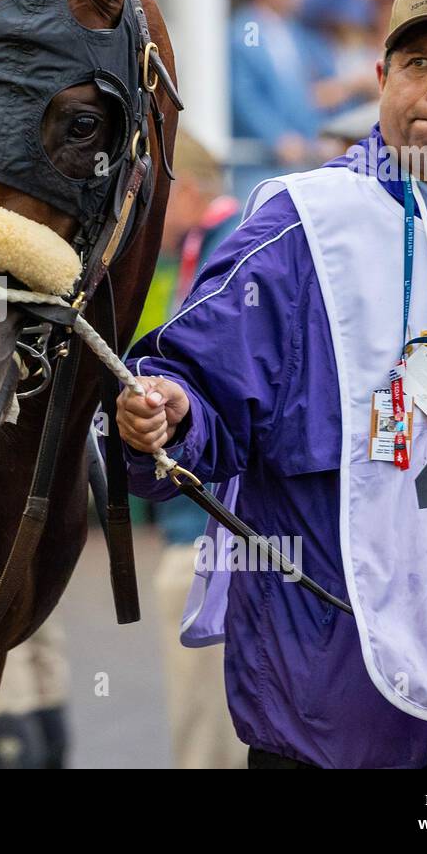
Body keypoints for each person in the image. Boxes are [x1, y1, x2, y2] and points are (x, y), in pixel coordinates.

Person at [117, 0, 427, 768]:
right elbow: (189, 390)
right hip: (342, 729)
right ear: (381, 79)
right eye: (417, 65)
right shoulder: (304, 230)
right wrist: (167, 411)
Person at [131, 132, 247, 769]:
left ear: (189, 188)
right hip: (202, 529)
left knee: (209, 732)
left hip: (212, 532)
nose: (145, 210)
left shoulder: (229, 247)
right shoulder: (199, 251)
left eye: (155, 195)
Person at [228, 0, 323, 201]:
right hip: (259, 161)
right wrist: (276, 136)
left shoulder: (292, 30)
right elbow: (243, 95)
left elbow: (304, 89)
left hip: (298, 156)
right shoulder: (243, 30)